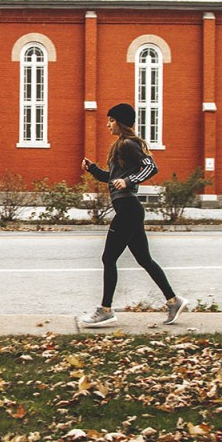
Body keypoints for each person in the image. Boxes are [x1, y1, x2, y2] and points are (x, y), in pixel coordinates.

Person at [79, 103, 188, 328]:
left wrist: (128, 181)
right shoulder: (120, 146)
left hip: (128, 209)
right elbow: (112, 177)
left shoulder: (128, 144)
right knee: (144, 260)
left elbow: (150, 167)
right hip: (129, 209)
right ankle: (174, 301)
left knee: (109, 258)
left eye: (110, 120)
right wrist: (93, 170)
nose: (107, 124)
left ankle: (106, 310)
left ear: (119, 121)